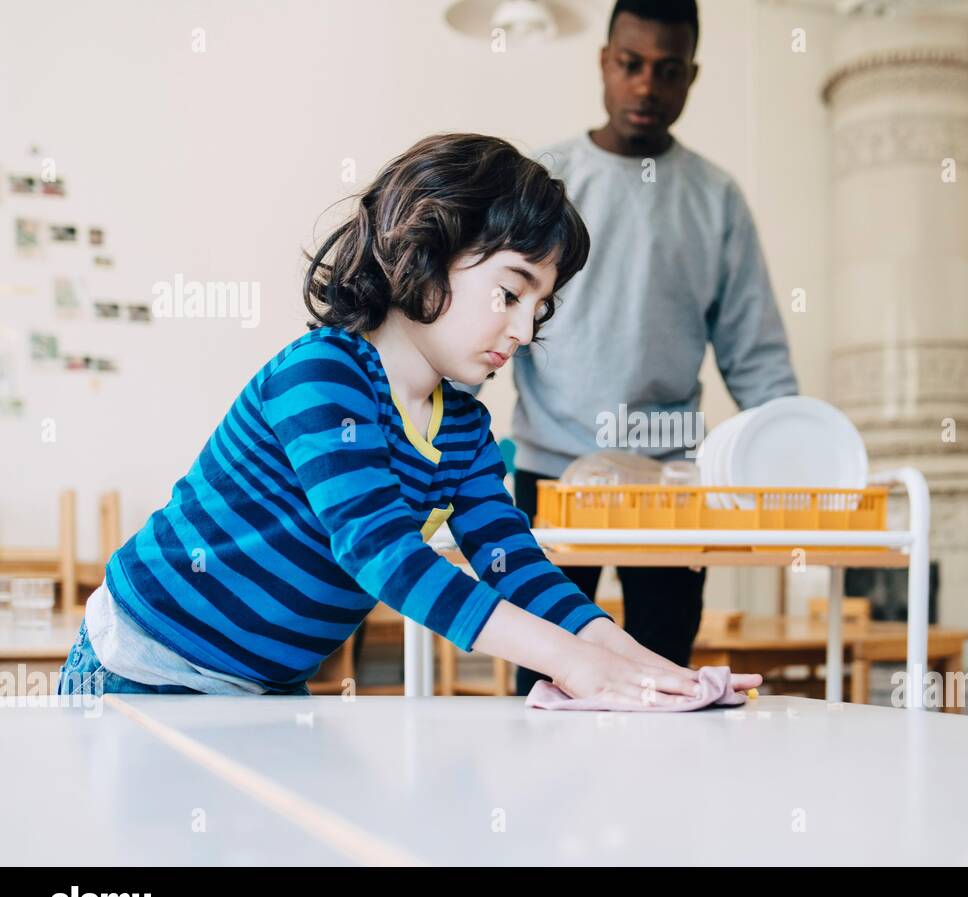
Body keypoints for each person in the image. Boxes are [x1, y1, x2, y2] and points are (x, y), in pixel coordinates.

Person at [56, 132, 761, 705]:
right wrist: (571, 663)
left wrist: (647, 666)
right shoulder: (322, 374)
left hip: (261, 686)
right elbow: (383, 555)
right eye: (511, 292)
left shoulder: (462, 427)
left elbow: (511, 560)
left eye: (539, 308)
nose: (522, 329)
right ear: (428, 252)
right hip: (143, 663)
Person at [506, 0, 799, 694]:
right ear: (605, 62)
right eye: (631, 65)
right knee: (543, 685)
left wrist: (793, 457)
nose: (645, 86)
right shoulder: (542, 179)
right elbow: (494, 315)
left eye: (666, 71)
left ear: (690, 77)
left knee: (664, 677)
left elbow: (754, 351)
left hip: (669, 482)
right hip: (550, 476)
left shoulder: (716, 198)